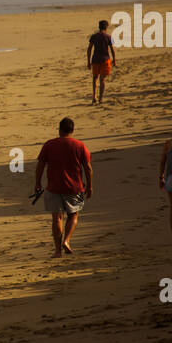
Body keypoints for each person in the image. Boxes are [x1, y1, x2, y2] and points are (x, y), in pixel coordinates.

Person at [33, 117, 93, 259]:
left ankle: (57, 250)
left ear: (59, 129)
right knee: (73, 215)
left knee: (57, 218)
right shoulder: (79, 146)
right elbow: (88, 168)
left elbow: (40, 165)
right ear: (72, 130)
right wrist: (90, 186)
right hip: (74, 187)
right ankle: (67, 240)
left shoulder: (49, 145)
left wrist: (37, 182)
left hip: (53, 186)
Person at [86, 20, 115, 103]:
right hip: (105, 60)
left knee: (95, 78)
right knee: (102, 80)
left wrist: (88, 61)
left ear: (99, 27)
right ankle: (100, 98)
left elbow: (89, 49)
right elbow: (112, 50)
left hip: (95, 60)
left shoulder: (94, 36)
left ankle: (94, 97)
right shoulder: (108, 37)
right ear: (106, 27)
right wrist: (114, 59)